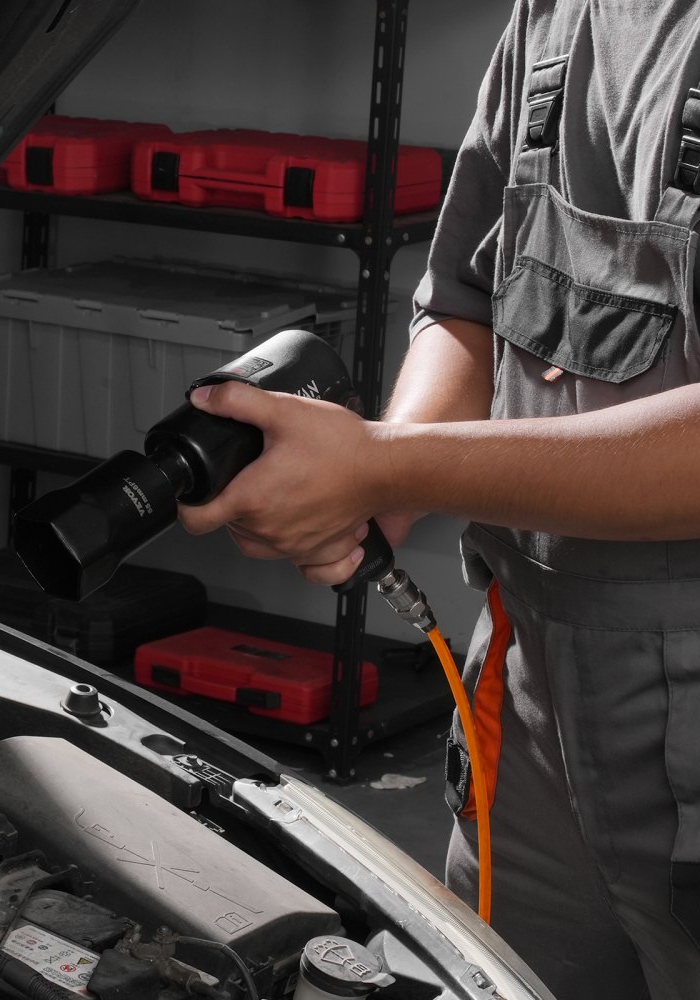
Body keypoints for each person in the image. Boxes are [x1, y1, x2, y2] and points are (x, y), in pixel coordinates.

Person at [176, 1, 700, 997]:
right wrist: (384, 473)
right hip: (531, 694)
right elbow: (467, 301)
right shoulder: (557, 14)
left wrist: (389, 466)